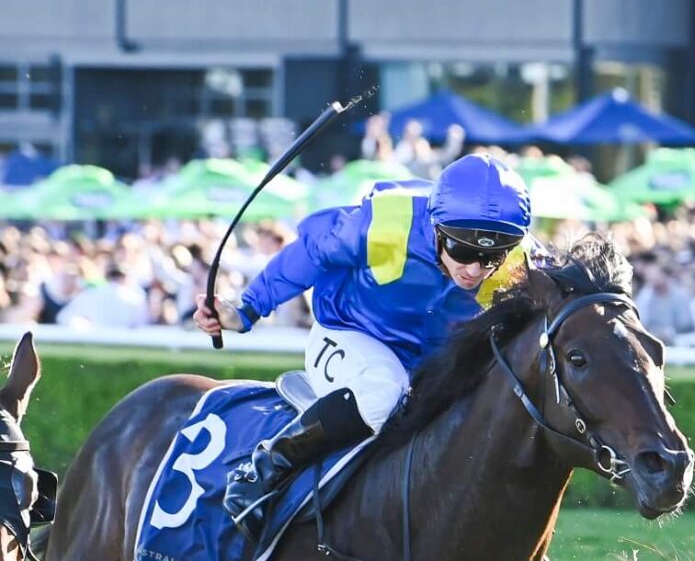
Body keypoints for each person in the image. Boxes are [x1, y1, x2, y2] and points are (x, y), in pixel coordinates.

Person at [196, 153, 532, 528]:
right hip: (347, 334)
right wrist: (246, 310)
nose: (475, 270)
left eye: (491, 257)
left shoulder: (515, 258)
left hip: (430, 363)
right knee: (384, 393)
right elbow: (310, 251)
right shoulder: (386, 224)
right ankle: (264, 469)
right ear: (436, 227)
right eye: (462, 251)